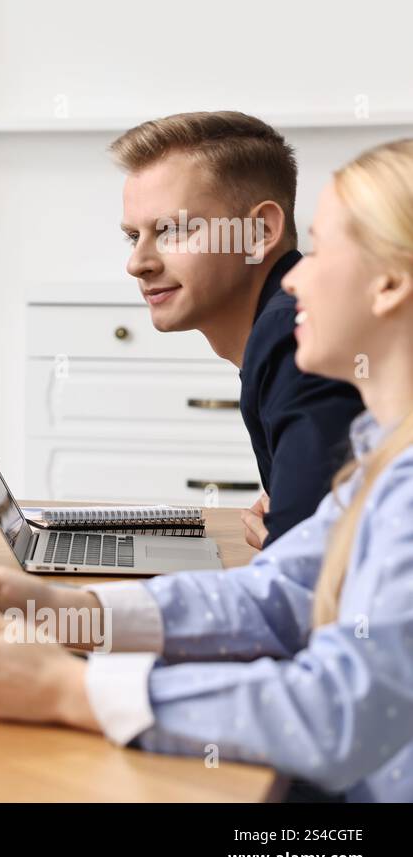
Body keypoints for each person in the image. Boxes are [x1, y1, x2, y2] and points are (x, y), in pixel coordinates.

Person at [0, 139, 413, 801]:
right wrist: (70, 610)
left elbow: (341, 707)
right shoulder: (382, 455)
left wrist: (75, 690)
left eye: (322, 249)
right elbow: (281, 596)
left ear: (390, 283)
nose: (295, 276)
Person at [112, 111, 364, 548]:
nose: (138, 263)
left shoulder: (293, 336)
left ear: (259, 231)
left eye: (172, 230)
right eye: (134, 236)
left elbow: (305, 563)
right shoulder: (284, 323)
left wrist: (283, 538)